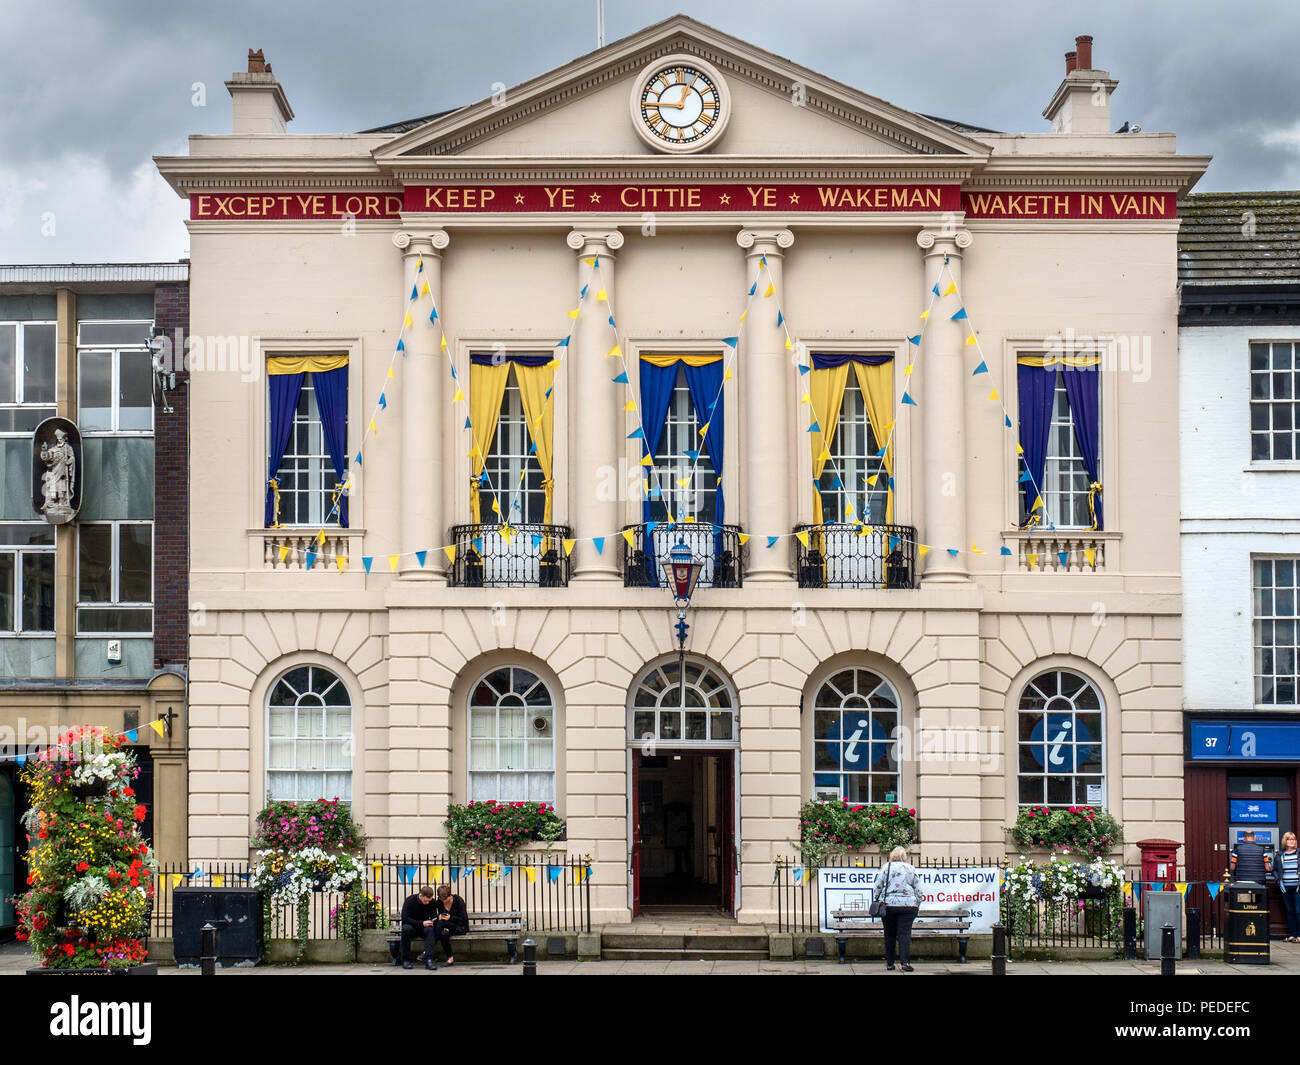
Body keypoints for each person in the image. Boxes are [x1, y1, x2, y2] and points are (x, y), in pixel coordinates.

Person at [878, 845, 923, 972]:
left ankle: (890, 963)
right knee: (904, 934)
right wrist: (917, 902)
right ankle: (905, 962)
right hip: (908, 906)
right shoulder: (910, 868)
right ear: (904, 856)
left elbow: (877, 886)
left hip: (889, 905)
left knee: (889, 934)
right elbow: (918, 889)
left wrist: (877, 899)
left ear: (892, 856)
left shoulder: (886, 867)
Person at [398, 885, 439, 970]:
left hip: (423, 928)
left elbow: (434, 916)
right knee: (406, 929)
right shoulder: (409, 901)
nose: (427, 903)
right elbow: (405, 918)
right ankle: (406, 960)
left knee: (430, 930)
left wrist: (433, 921)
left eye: (429, 901)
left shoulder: (431, 902)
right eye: (426, 901)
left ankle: (429, 960)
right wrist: (421, 923)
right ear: (420, 895)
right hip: (411, 926)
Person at [433, 883, 469, 965]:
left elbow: (464, 920)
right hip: (445, 926)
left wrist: (451, 918)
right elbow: (436, 915)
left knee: (442, 923)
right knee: (443, 934)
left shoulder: (458, 901)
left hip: (459, 927)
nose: (443, 902)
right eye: (441, 900)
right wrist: (438, 917)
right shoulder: (439, 902)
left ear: (450, 896)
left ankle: (428, 951)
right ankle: (450, 958)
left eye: (445, 899)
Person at [1275, 831, 1300, 942]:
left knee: (1298, 911)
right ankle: (1292, 934)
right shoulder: (1280, 855)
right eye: (1289, 839)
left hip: (1298, 887)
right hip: (1285, 887)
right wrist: (1278, 880)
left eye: (1293, 839)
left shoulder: (1299, 853)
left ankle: (1299, 935)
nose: (1291, 841)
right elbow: (1274, 870)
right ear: (1285, 841)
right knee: (1289, 911)